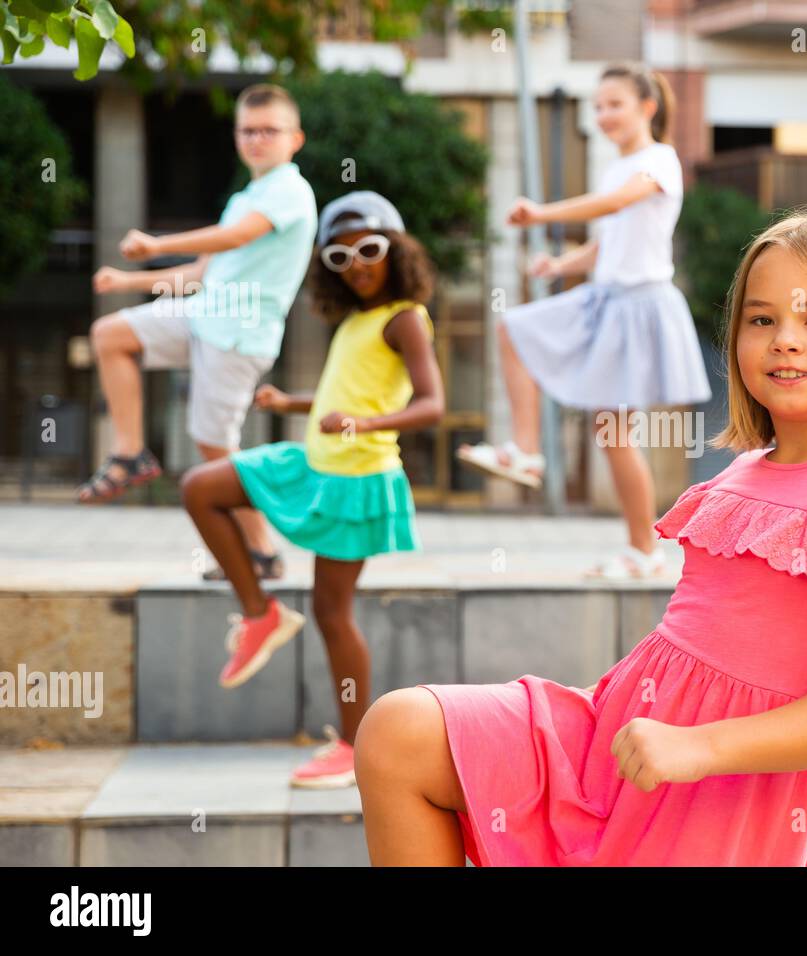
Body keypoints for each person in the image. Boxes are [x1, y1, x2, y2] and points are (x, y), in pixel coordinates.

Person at [353, 213, 807, 866]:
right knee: (398, 734)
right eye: (761, 320)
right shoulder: (746, 468)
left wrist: (700, 748)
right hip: (616, 743)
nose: (784, 340)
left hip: (725, 790)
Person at [179, 192, 445, 788]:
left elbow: (432, 405)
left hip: (356, 480)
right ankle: (261, 613)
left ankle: (356, 747)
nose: (357, 264)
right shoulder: (356, 320)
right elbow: (345, 396)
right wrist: (293, 402)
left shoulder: (405, 317)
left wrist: (362, 425)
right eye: (340, 256)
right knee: (201, 487)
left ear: (396, 252)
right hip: (315, 460)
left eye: (370, 250)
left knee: (332, 612)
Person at [455, 62, 712, 579]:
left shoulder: (659, 160)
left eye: (614, 104)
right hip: (605, 298)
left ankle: (643, 551)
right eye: (597, 106)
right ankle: (527, 453)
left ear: (647, 107)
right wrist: (561, 264)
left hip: (638, 306)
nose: (603, 115)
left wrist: (541, 214)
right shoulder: (616, 167)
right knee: (515, 330)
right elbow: (610, 238)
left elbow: (616, 205)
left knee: (615, 433)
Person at [82, 83, 318, 583]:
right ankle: (130, 452)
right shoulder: (245, 196)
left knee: (214, 446)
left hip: (238, 331)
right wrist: (130, 280)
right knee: (111, 335)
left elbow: (236, 237)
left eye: (269, 131)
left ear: (293, 138)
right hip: (204, 311)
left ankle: (262, 552)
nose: (257, 139)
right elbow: (200, 273)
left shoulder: (290, 191)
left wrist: (154, 243)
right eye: (247, 130)